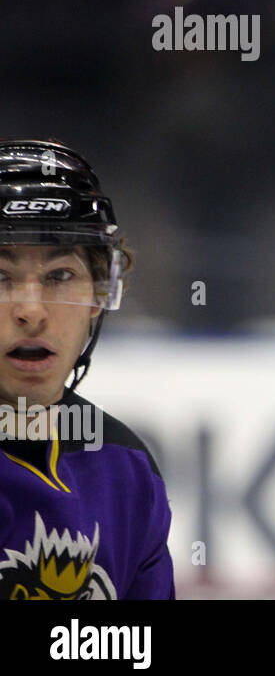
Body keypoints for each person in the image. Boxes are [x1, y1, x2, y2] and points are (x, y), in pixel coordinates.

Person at [0, 139, 174, 599]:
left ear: (99, 296)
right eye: (0, 278)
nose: (30, 311)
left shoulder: (126, 471)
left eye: (59, 276)